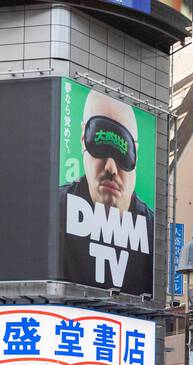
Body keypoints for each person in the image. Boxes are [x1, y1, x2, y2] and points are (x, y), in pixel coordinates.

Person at [57, 89, 153, 295]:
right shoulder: (52, 209)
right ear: (83, 138)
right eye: (100, 143)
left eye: (122, 150)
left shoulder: (153, 232)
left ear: (135, 153)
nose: (110, 167)